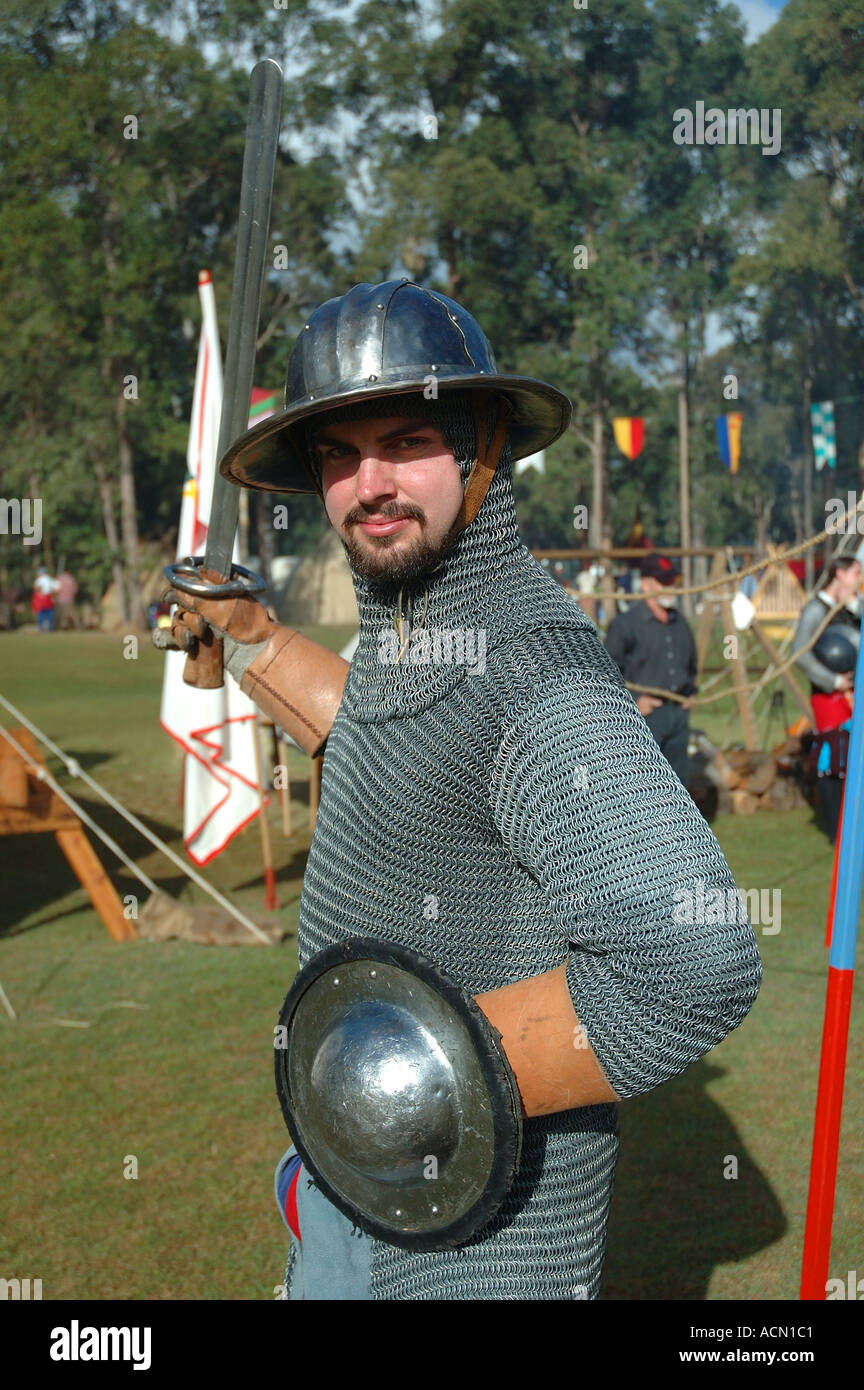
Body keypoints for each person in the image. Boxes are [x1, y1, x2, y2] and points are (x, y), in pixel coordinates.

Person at [159, 279, 761, 1300]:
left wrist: (399, 1089)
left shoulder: (534, 672)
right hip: (362, 1200)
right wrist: (258, 644)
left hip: (470, 1247)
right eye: (341, 457)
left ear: (483, 446)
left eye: (405, 443)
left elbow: (693, 960)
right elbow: (402, 748)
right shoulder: (416, 629)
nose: (370, 483)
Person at [603, 553, 698, 788]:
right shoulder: (625, 625)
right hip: (644, 718)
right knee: (643, 786)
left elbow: (691, 664)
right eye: (663, 582)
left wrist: (691, 692)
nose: (670, 588)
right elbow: (605, 675)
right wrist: (633, 702)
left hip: (678, 716)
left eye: (672, 582)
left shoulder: (680, 623)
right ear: (646, 585)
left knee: (679, 786)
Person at [792, 555, 862, 844]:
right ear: (840, 574)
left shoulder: (851, 608)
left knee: (854, 757)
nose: (860, 578)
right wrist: (832, 680)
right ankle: (836, 830)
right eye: (856, 572)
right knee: (833, 760)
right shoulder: (815, 610)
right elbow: (800, 653)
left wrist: (854, 606)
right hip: (829, 696)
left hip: (854, 693)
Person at [31, 566, 59, 632]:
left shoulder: (40, 579)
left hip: (41, 598)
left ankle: (41, 628)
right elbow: (56, 589)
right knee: (50, 614)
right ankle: (50, 628)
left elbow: (36, 588)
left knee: (41, 614)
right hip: (49, 598)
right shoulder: (51, 579)